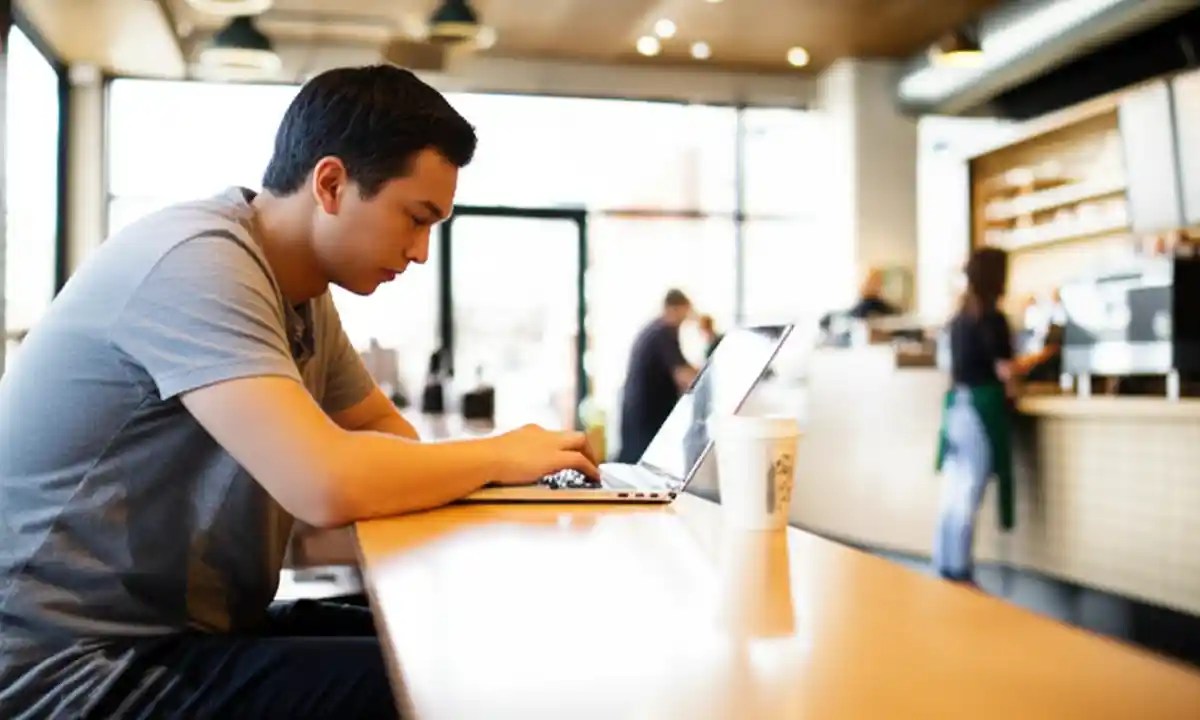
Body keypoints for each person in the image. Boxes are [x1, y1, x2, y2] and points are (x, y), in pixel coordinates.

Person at [0, 65, 597, 718]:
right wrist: (502, 455)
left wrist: (490, 471)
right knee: (454, 688)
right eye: (415, 218)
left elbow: (382, 434)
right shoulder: (196, 262)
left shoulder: (300, 293)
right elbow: (324, 486)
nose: (422, 252)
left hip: (184, 634)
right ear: (332, 183)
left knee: (466, 649)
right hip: (71, 666)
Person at [932, 248, 1016, 585]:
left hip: (957, 410)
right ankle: (961, 570)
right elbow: (1004, 369)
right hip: (982, 413)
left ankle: (946, 563)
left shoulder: (956, 320)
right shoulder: (993, 319)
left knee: (953, 491)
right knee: (969, 492)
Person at [616, 289, 698, 463]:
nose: (686, 319)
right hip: (647, 415)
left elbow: (681, 365)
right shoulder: (664, 332)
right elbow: (683, 375)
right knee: (642, 465)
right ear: (676, 309)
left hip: (639, 410)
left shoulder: (655, 330)